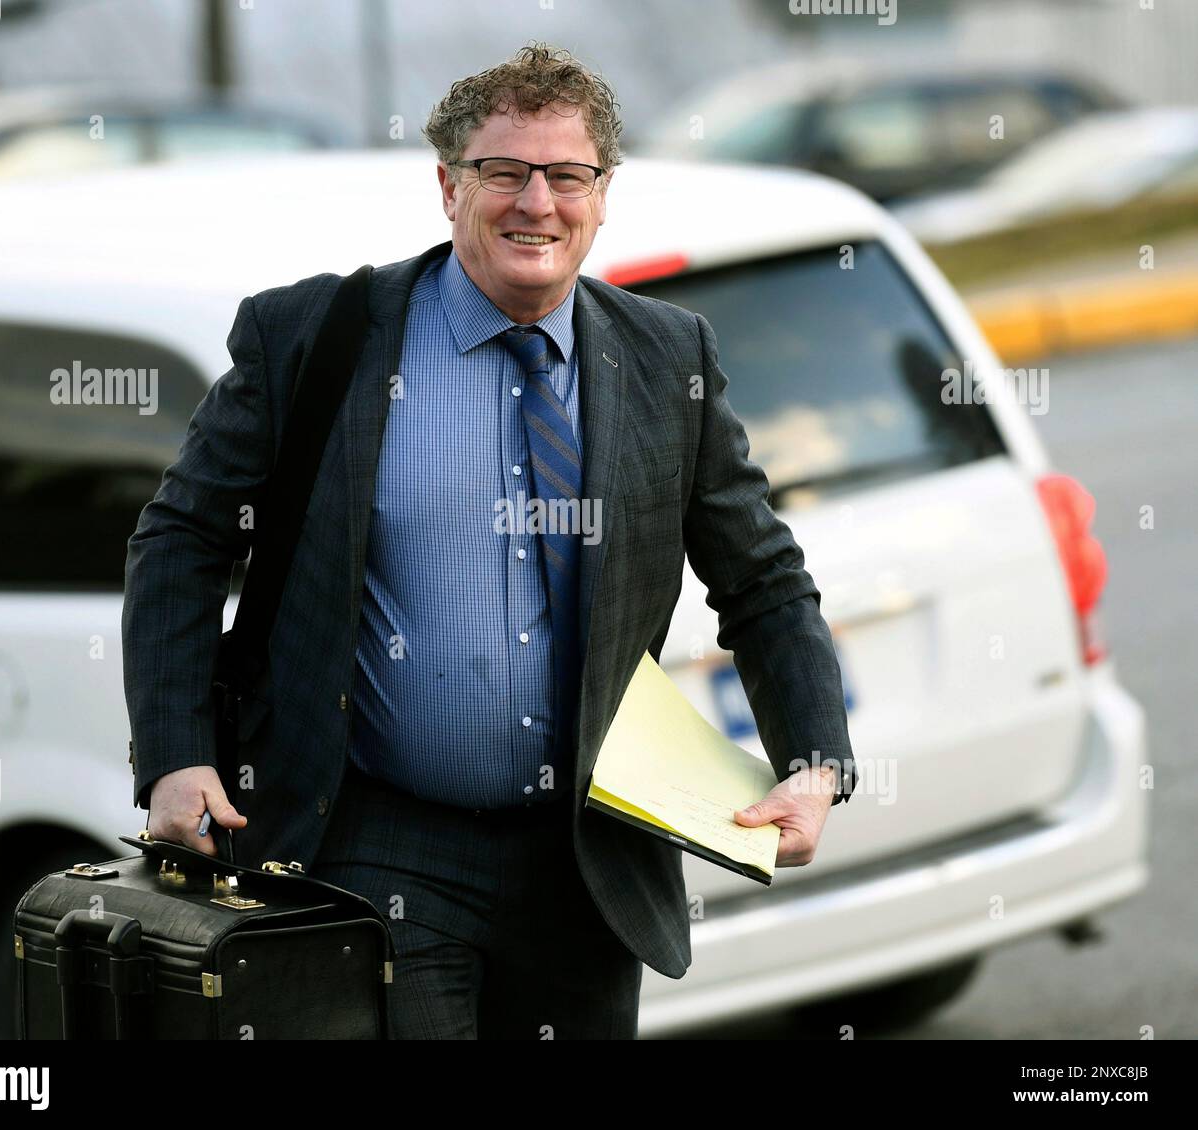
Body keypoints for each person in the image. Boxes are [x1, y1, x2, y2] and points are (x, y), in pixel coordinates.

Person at [122, 41, 857, 1040]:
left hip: (587, 858)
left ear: (603, 195)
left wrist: (812, 759)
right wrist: (174, 751)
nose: (535, 203)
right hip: (373, 845)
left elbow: (762, 577)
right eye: (502, 172)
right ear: (447, 186)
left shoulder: (668, 356)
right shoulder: (313, 337)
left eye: (566, 175)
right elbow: (181, 536)